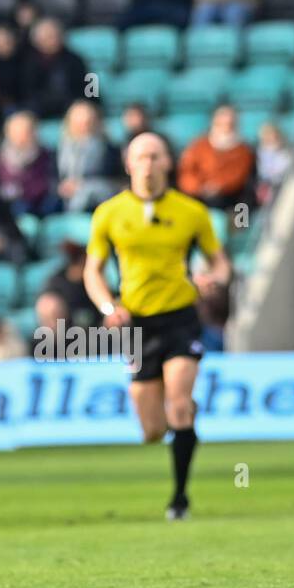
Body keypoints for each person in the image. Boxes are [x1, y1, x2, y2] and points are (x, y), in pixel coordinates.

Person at [83, 132, 231, 520]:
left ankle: (179, 499)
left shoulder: (191, 212)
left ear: (167, 162)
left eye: (155, 156)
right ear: (129, 164)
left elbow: (220, 262)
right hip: (136, 323)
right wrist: (106, 305)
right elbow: (92, 271)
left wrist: (212, 278)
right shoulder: (109, 214)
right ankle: (182, 424)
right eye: (141, 157)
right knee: (151, 429)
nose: (148, 163)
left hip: (181, 317)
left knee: (179, 404)